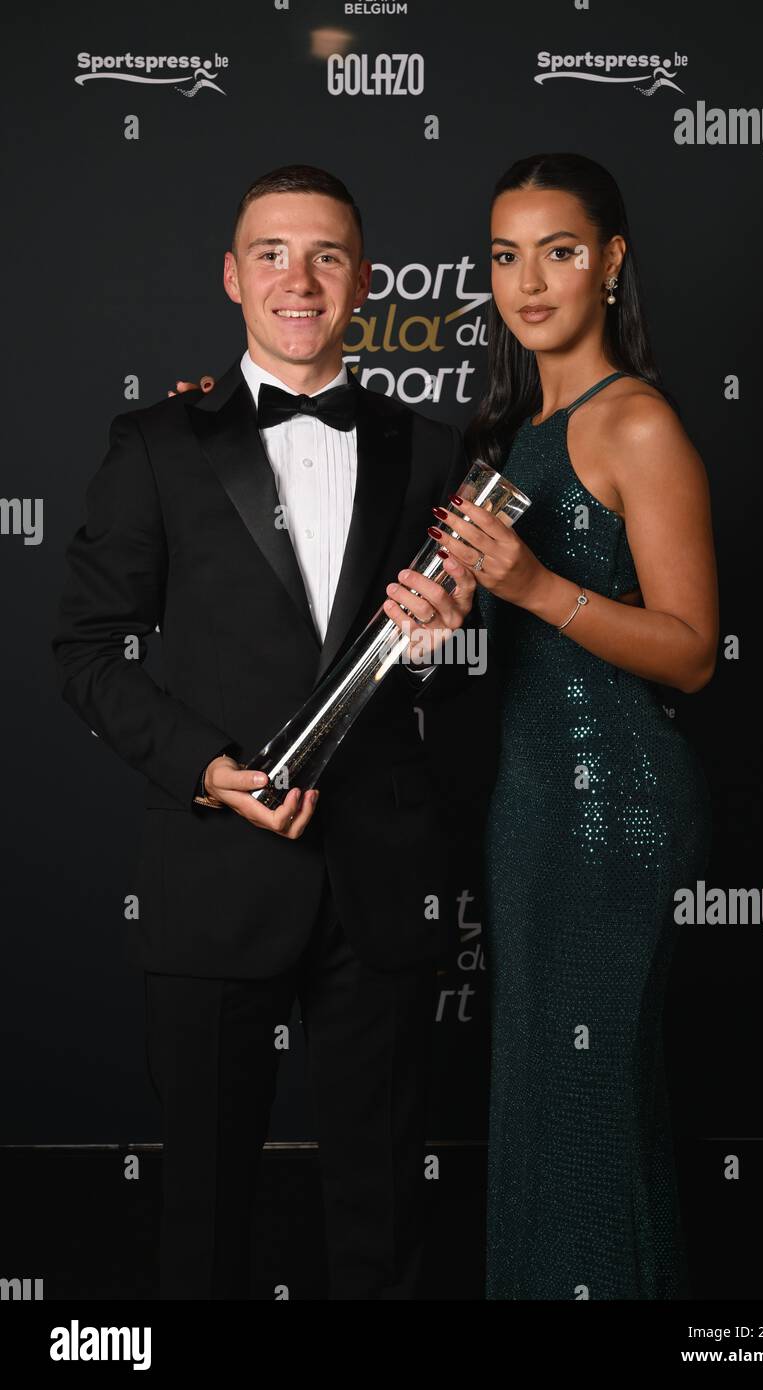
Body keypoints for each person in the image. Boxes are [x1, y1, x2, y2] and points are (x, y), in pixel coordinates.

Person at [51, 164, 482, 1300]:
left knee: (383, 1217)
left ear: (365, 282)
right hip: (209, 875)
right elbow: (85, 651)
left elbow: (452, 689)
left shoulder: (433, 450)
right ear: (232, 276)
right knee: (201, 1216)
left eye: (327, 255)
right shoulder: (154, 443)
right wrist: (205, 770)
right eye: (274, 254)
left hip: (382, 884)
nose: (300, 278)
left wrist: (446, 653)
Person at [435, 152, 718, 1299]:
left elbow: (692, 650)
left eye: (558, 251)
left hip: (617, 812)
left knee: (593, 1108)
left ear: (607, 262)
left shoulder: (632, 422)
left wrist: (536, 587)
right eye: (506, 256)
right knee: (540, 1100)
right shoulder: (513, 431)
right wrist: (448, 606)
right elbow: (504, 641)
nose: (529, 282)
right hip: (530, 802)